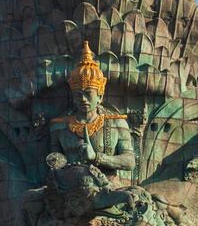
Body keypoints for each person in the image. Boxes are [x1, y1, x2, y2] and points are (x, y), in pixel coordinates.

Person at [49, 42, 135, 180]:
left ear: (100, 96)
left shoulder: (117, 124)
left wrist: (96, 157)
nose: (83, 99)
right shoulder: (59, 127)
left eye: (88, 94)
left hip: (107, 186)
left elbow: (130, 161)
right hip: (70, 187)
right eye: (78, 95)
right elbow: (55, 162)